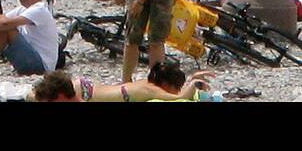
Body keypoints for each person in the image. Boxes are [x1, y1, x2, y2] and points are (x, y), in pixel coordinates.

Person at [32, 63, 210, 102]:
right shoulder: (149, 91)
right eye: (175, 87)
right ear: (167, 85)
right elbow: (179, 97)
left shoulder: (143, 84)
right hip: (87, 94)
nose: (176, 91)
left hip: (87, 87)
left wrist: (194, 79)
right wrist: (194, 83)